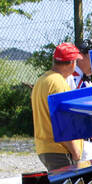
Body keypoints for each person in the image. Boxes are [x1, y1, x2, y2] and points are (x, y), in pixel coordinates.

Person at [31, 42, 83, 171]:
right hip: (60, 150)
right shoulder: (59, 84)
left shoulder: (42, 80)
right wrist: (75, 151)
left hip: (45, 147)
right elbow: (63, 123)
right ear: (71, 63)